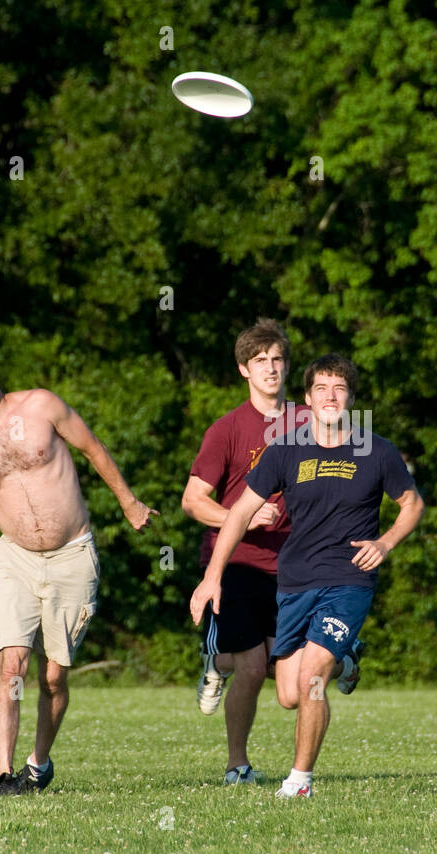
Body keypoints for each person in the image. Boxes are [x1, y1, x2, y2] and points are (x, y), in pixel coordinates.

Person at [0, 337, 155, 795]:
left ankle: (38, 763)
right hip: (15, 559)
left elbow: (93, 449)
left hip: (73, 553)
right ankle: (5, 775)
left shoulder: (41, 405)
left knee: (52, 677)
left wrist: (129, 502)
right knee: (12, 666)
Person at [190, 354, 424, 798]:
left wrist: (386, 543)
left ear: (351, 398)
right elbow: (239, 512)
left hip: (349, 578)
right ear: (307, 399)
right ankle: (347, 655)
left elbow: (411, 504)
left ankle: (299, 781)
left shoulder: (377, 450)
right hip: (294, 580)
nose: (330, 397)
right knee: (290, 695)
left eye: (339, 389)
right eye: (321, 389)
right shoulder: (286, 450)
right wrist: (212, 576)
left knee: (314, 672)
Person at [183, 319, 329, 786]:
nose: (271, 368)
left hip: (295, 568)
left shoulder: (309, 423)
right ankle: (237, 765)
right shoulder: (226, 429)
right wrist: (239, 517)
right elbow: (192, 501)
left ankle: (217, 660)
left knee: (284, 680)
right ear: (244, 369)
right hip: (239, 565)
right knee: (250, 665)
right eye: (261, 360)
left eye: (278, 359)